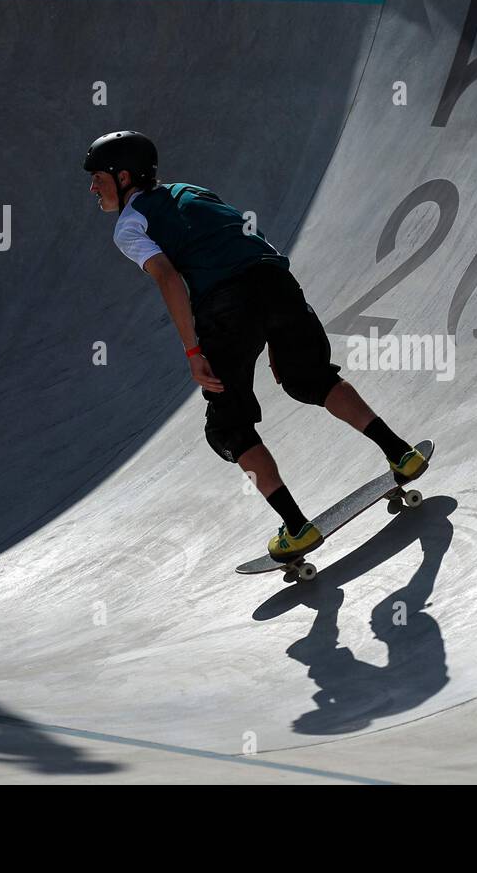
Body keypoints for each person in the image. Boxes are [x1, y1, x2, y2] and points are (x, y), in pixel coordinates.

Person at [85, 130, 427, 561]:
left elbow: (169, 278)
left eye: (98, 177)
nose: (92, 188)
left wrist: (194, 352)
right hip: (275, 279)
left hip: (224, 306)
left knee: (228, 428)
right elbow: (251, 233)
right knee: (312, 379)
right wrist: (274, 324)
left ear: (125, 176)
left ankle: (297, 528)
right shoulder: (192, 190)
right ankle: (402, 453)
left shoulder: (130, 224)